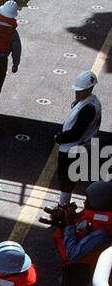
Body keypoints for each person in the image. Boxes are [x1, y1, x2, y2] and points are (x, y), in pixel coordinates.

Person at [49, 181, 112, 286]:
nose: (84, 203)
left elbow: (72, 254)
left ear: (98, 203)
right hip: (79, 264)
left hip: (81, 271)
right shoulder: (97, 214)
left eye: (87, 200)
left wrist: (69, 224)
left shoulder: (102, 233)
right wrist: (60, 220)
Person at [54, 71, 102, 206]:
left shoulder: (88, 108)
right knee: (67, 180)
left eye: (80, 91)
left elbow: (77, 133)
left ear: (89, 89)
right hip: (77, 147)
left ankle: (63, 209)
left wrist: (59, 138)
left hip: (73, 148)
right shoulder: (90, 101)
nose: (76, 93)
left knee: (66, 180)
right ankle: (63, 207)